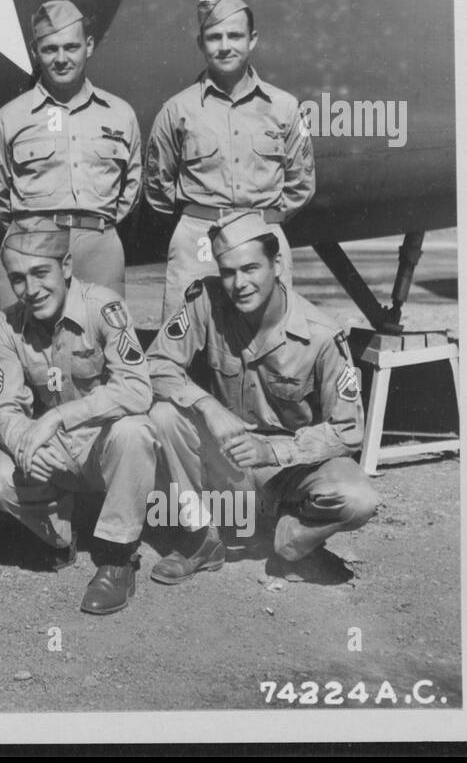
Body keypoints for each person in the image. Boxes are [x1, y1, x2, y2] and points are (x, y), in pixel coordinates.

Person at [145, 209, 378, 585]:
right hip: (227, 460)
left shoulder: (321, 335)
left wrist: (272, 452)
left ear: (277, 263)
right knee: (163, 415)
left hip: (289, 469)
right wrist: (209, 406)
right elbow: (156, 363)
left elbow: (348, 429)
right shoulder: (206, 301)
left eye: (250, 268)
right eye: (228, 272)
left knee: (358, 498)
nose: (238, 283)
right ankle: (202, 538)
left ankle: (290, 541)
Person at [0, 218, 158, 615]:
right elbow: (3, 407)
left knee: (135, 432)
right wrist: (23, 440)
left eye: (41, 273)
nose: (31, 290)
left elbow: (137, 389)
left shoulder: (104, 307)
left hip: (102, 447)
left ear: (65, 266)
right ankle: (62, 537)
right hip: (56, 450)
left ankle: (118, 558)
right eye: (17, 278)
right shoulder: (8, 325)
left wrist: (58, 416)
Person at [144, 0, 314, 319]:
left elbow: (301, 184)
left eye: (234, 35)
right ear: (200, 44)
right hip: (198, 242)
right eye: (214, 37)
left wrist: (259, 220)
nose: (224, 46)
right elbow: (157, 186)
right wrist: (197, 218)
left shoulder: (286, 108)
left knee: (270, 342)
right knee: (187, 345)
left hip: (264, 239)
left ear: (252, 40)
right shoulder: (177, 109)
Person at [0, 0, 142, 311]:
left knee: (100, 342)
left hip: (98, 247)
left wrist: (96, 228)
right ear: (34, 52)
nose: (62, 58)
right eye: (50, 49)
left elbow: (131, 190)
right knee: (24, 348)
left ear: (89, 46)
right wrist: (33, 224)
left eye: (71, 47)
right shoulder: (9, 119)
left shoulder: (121, 115)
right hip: (30, 246)